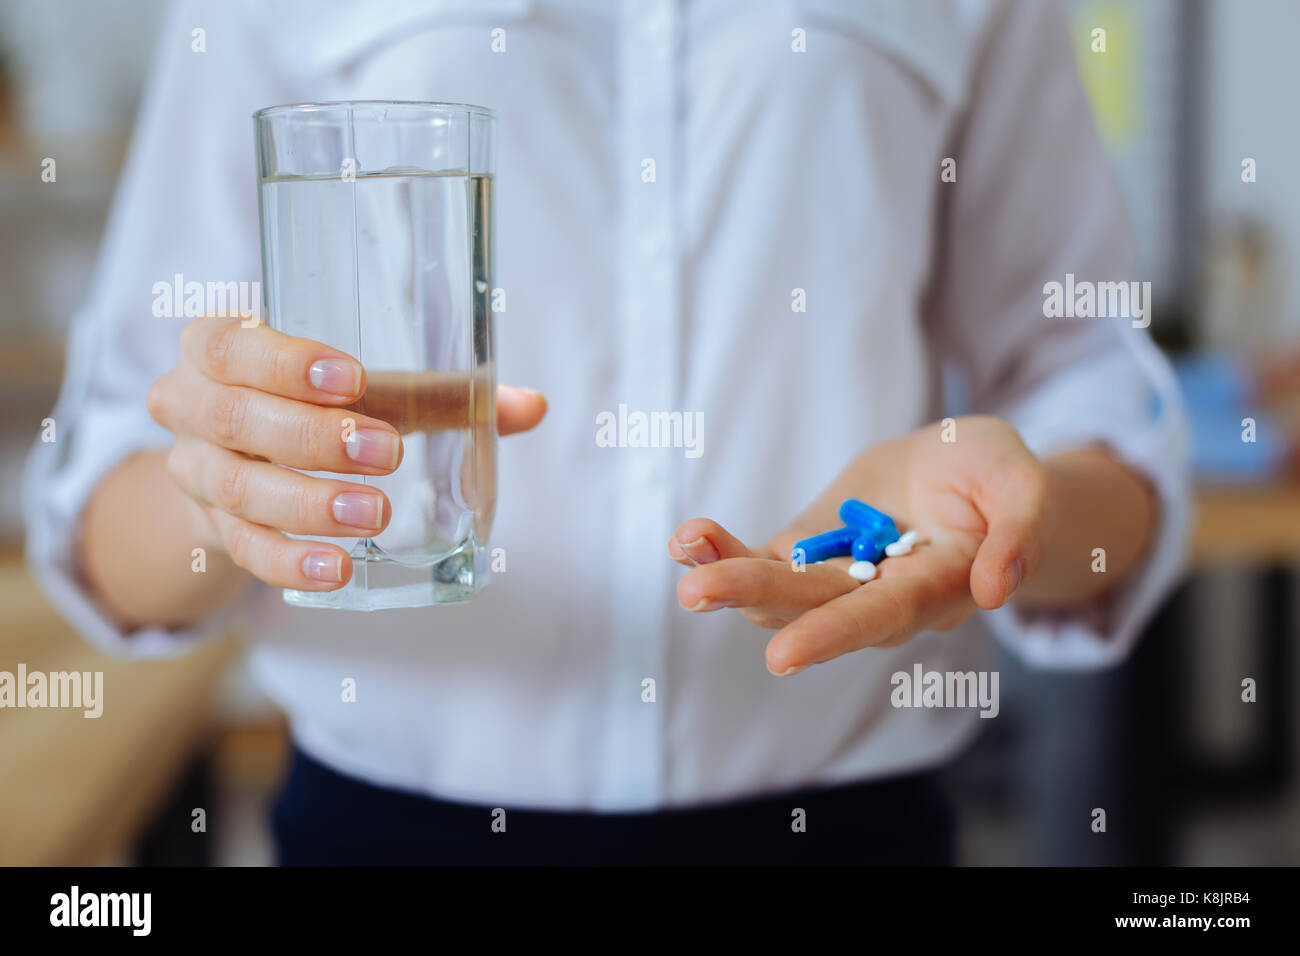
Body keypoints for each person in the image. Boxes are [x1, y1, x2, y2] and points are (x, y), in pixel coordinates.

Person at [24, 0, 1189, 865]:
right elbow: (103, 521)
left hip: (845, 827)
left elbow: (1086, 384)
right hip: (384, 833)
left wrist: (1015, 506)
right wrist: (222, 491)